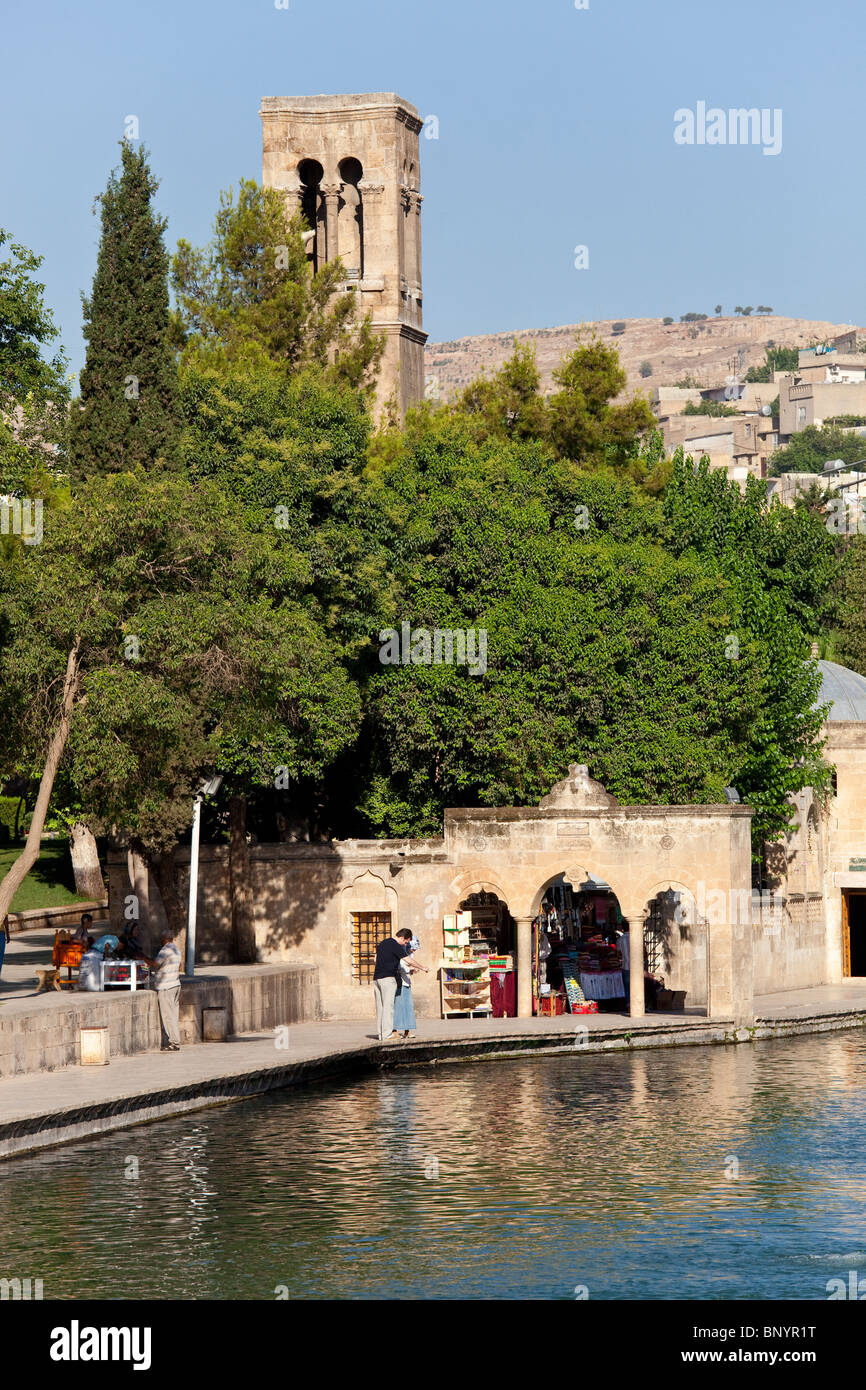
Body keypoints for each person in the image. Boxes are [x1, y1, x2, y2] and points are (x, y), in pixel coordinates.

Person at [373, 928, 413, 1042]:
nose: (405, 944)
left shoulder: (383, 943)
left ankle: (381, 1034)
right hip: (388, 979)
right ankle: (387, 1034)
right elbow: (408, 960)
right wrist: (423, 967)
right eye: (406, 942)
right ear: (402, 937)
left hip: (376, 978)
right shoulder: (395, 945)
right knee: (388, 1007)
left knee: (380, 1008)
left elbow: (375, 959)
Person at [152, 930, 182, 1051]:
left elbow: (155, 963)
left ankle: (174, 1042)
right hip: (175, 984)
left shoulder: (165, 950)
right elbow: (180, 966)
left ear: (164, 939)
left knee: (168, 1015)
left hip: (166, 986)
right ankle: (176, 1040)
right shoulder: (176, 949)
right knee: (173, 1014)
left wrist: (142, 958)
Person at [393, 935, 428, 1039]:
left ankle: (407, 1031)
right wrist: (411, 969)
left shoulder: (409, 956)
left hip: (407, 983)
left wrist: (411, 970)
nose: (413, 951)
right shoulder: (400, 955)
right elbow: (399, 968)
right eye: (412, 949)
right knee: (398, 1008)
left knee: (407, 1008)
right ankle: (394, 1030)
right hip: (400, 984)